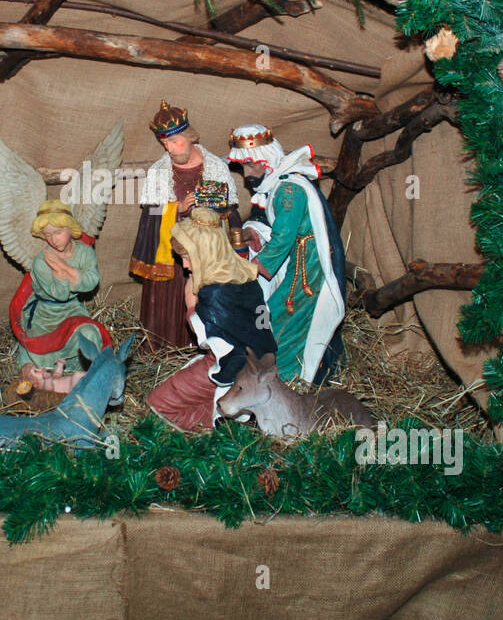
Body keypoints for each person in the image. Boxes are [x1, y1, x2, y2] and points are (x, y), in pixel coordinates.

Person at [228, 124, 347, 384]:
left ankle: (291, 377)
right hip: (299, 259)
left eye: (251, 165)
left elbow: (282, 239)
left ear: (267, 160)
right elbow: (273, 228)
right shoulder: (277, 186)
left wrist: (252, 268)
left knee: (284, 315)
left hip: (309, 268)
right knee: (277, 315)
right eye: (244, 167)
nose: (247, 174)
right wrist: (252, 232)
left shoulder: (288, 190)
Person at [146, 209, 276, 432]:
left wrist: (190, 307)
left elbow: (214, 342)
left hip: (229, 366)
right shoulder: (243, 274)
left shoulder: (215, 293)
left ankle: (223, 426)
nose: (185, 265)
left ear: (204, 252)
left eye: (187, 257)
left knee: (158, 404)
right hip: (259, 360)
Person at [129, 100, 240, 350]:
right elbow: (149, 213)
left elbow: (230, 210)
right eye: (165, 143)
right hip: (170, 253)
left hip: (206, 251)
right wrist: (175, 208)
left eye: (175, 141)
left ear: (190, 137)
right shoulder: (159, 172)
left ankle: (205, 348)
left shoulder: (215, 168)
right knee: (167, 300)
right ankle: (163, 350)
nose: (170, 148)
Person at [12, 200, 108, 383]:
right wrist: (70, 276)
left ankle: (83, 378)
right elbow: (59, 294)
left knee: (90, 334)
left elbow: (91, 281)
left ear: (71, 229)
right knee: (34, 361)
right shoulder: (41, 261)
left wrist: (63, 268)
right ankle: (52, 380)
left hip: (72, 310)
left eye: (58, 232)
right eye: (47, 234)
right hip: (44, 315)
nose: (53, 239)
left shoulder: (85, 253)